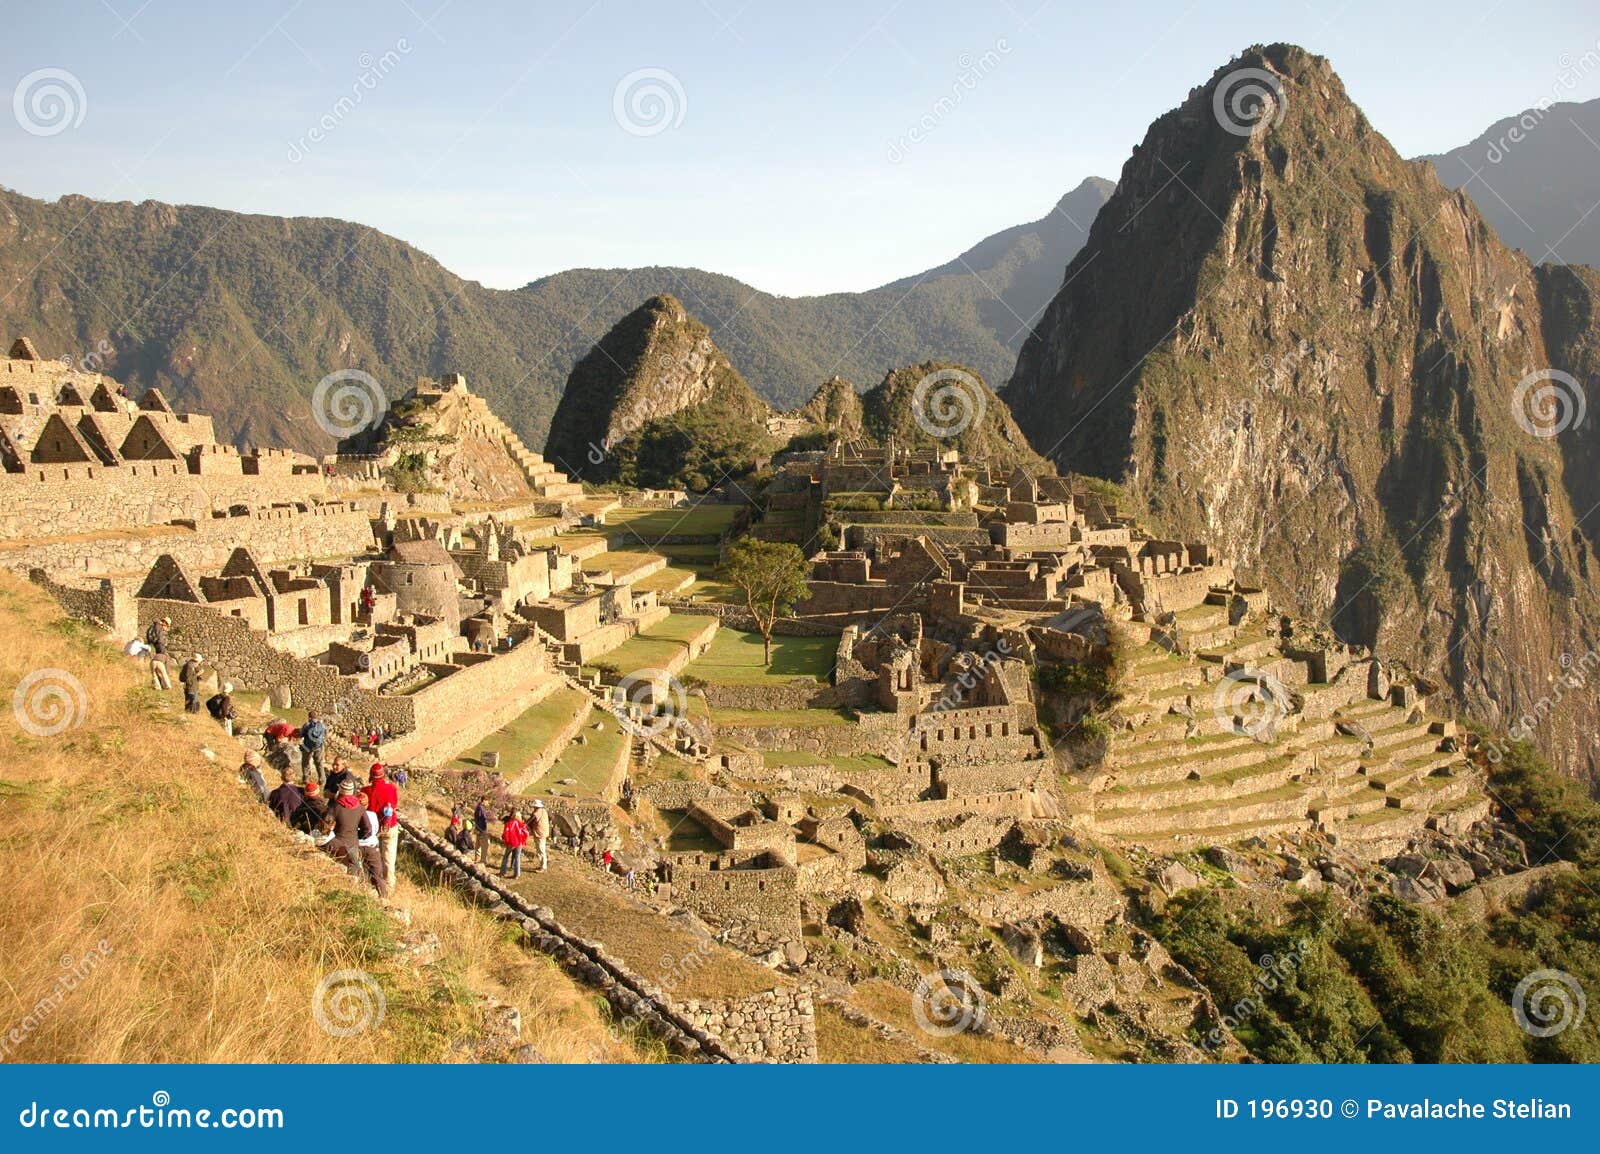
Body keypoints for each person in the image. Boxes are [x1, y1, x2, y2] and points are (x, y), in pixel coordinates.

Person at [362, 762, 400, 888]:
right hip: (390, 827)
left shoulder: (365, 791)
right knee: (389, 858)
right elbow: (395, 805)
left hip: (373, 829)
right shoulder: (392, 789)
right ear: (383, 775)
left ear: (371, 777)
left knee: (373, 857)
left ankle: (373, 883)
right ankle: (389, 886)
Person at [355, 805, 390, 900]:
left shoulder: (352, 813)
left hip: (356, 846)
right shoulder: (372, 815)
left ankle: (360, 894)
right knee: (377, 875)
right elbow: (375, 829)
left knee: (357, 872)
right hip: (371, 847)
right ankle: (383, 898)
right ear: (367, 805)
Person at [299, 709, 328, 784]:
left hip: (307, 748)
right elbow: (325, 734)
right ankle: (322, 780)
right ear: (316, 717)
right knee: (319, 763)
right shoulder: (322, 725)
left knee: (305, 763)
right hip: (319, 747)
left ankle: (306, 779)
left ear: (309, 717)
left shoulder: (307, 725)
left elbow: (301, 734)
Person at [499, 809, 528, 879]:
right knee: (517, 858)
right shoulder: (521, 824)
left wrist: (506, 841)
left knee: (506, 856)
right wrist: (523, 841)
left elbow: (506, 833)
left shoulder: (509, 823)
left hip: (511, 842)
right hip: (519, 843)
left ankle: (502, 872)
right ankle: (517, 874)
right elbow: (526, 833)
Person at [530, 799, 551, 872]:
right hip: (543, 833)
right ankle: (542, 865)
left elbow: (531, 820)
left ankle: (543, 867)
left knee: (541, 849)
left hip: (540, 833)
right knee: (541, 849)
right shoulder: (544, 811)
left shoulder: (537, 813)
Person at [472, 794, 493, 865]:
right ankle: (483, 861)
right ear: (484, 801)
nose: (488, 803)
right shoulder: (481, 808)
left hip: (478, 828)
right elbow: (483, 819)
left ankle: (477, 859)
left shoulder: (478, 807)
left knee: (478, 845)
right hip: (482, 829)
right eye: (487, 801)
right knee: (484, 846)